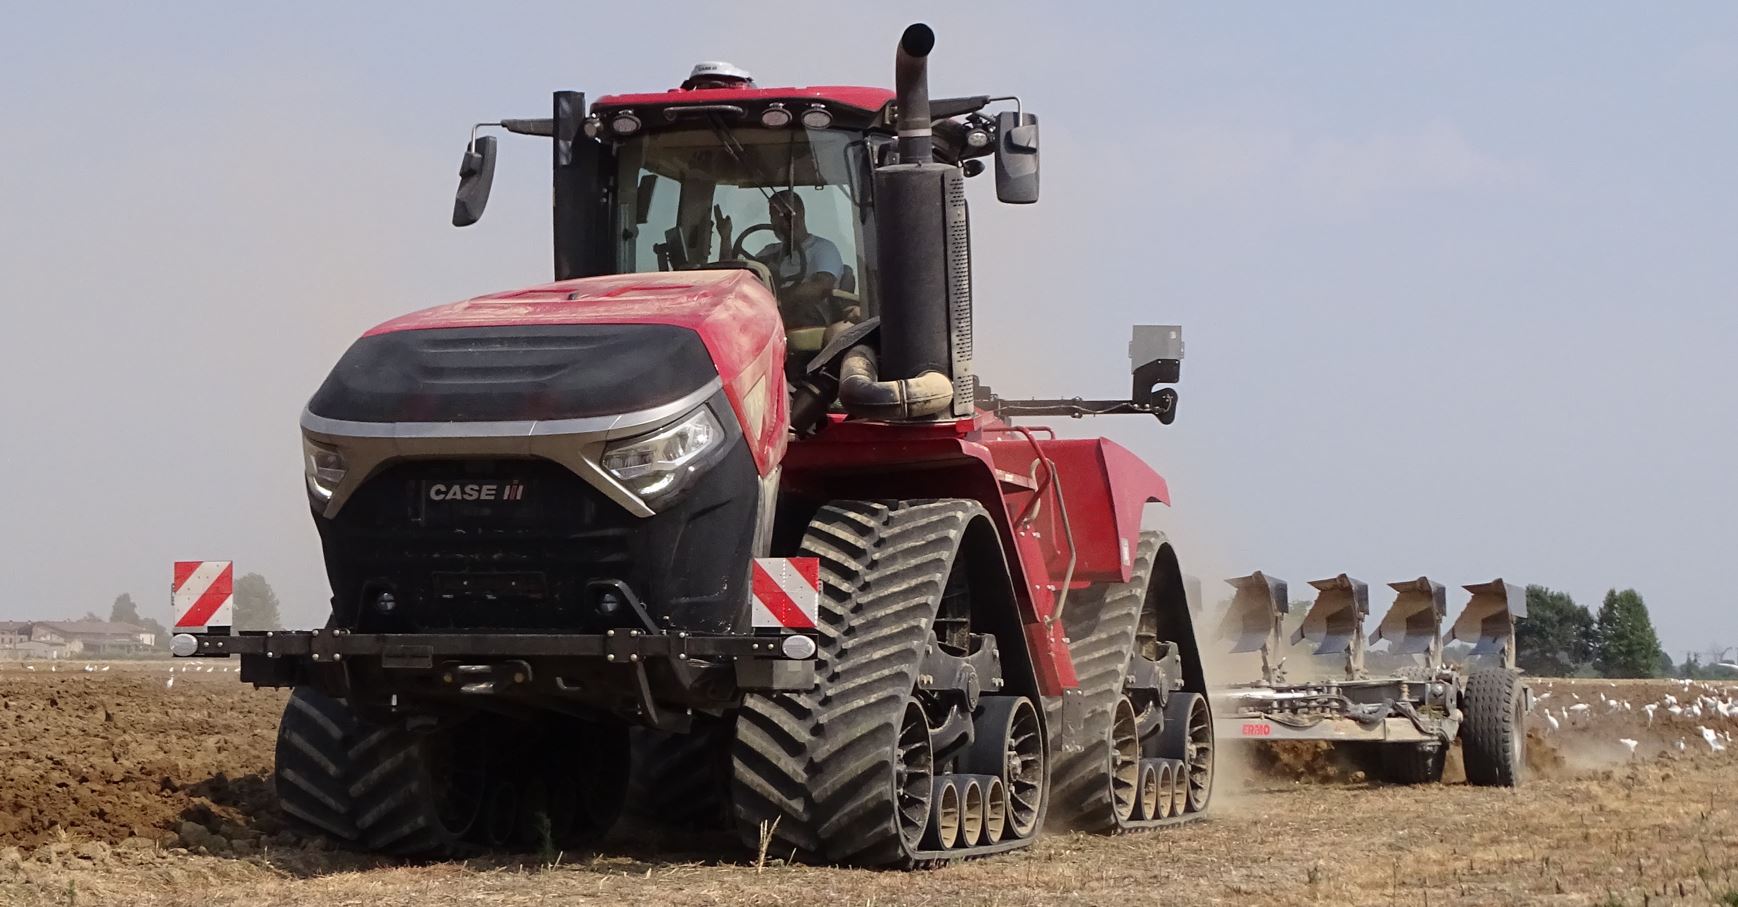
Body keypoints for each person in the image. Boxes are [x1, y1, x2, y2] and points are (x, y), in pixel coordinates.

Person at [753, 190, 847, 328]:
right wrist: (726, 239)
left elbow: (821, 287)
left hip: (811, 317)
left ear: (800, 214)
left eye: (785, 215)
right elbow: (742, 273)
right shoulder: (770, 251)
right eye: (774, 216)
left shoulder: (823, 248)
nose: (779, 222)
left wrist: (780, 298)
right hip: (771, 312)